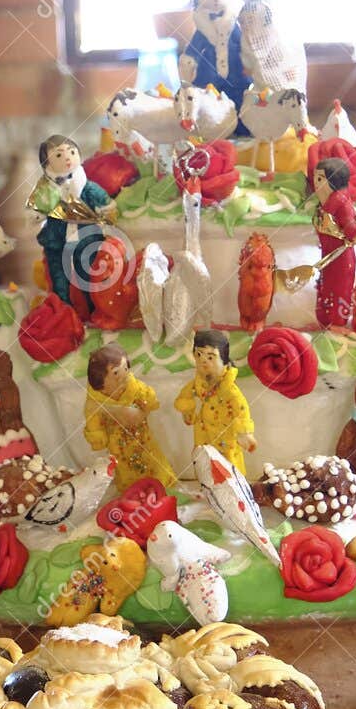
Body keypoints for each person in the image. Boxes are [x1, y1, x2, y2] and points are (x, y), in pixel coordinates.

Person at [30, 134, 109, 317]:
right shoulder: (46, 191)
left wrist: (106, 216)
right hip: (57, 242)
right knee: (59, 280)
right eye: (58, 155)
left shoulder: (87, 188)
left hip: (86, 242)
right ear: (47, 164)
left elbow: (106, 204)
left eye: (72, 152)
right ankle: (63, 313)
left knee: (90, 277)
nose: (67, 157)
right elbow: (36, 212)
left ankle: (93, 312)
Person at [83, 343, 177, 490]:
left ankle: (161, 486)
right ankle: (134, 492)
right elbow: (93, 423)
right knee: (127, 471)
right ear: (100, 382)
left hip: (143, 438)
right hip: (118, 446)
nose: (123, 375)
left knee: (153, 462)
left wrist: (143, 410)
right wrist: (98, 438)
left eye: (125, 368)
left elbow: (149, 400)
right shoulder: (94, 402)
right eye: (115, 373)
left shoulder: (135, 387)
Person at [174, 330, 257, 478]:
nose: (203, 361)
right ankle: (208, 487)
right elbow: (186, 394)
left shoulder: (229, 389)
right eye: (199, 355)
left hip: (225, 437)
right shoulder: (199, 382)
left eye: (210, 357)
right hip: (204, 433)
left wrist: (244, 433)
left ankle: (235, 490)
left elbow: (241, 408)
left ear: (224, 360)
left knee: (228, 468)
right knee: (205, 465)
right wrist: (187, 409)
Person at [180, 0, 250, 134]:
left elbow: (244, 46)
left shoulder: (233, 25)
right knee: (210, 100)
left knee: (239, 98)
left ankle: (241, 128)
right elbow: (193, 51)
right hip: (209, 72)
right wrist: (188, 67)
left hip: (235, 72)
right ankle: (214, 130)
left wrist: (249, 63)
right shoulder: (201, 29)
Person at [312, 156, 356, 330]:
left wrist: (352, 224)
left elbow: (352, 230)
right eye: (315, 178)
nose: (315, 183)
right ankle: (325, 320)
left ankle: (338, 322)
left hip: (341, 256)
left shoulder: (342, 203)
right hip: (329, 254)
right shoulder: (326, 203)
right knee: (326, 285)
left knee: (339, 288)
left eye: (320, 179)